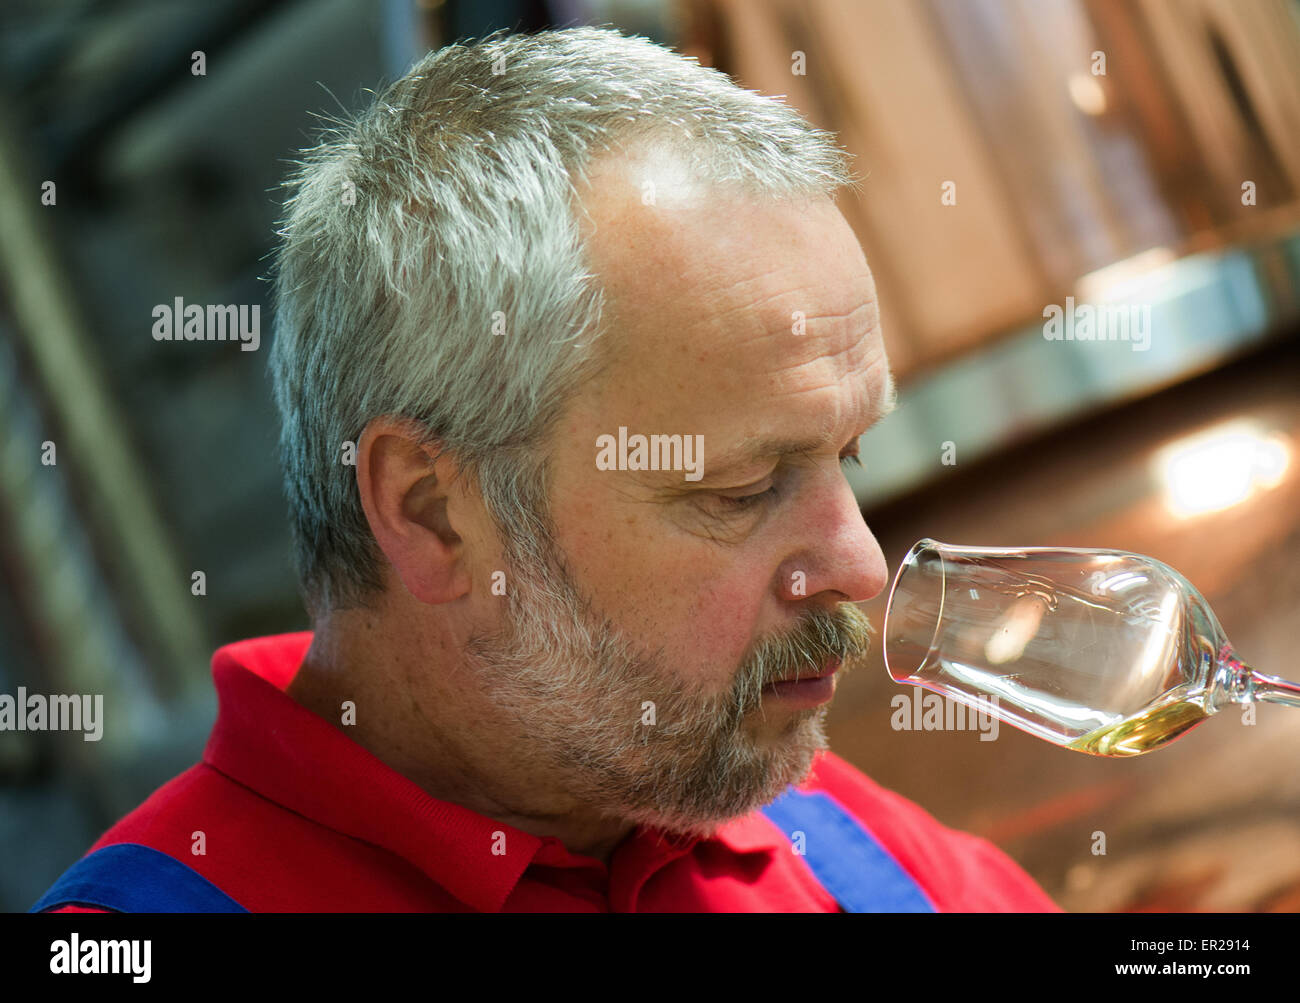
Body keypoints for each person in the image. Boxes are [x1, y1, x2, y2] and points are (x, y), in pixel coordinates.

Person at [32, 26, 1058, 913]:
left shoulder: (841, 843)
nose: (859, 565)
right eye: (741, 490)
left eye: (847, 454)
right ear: (432, 512)